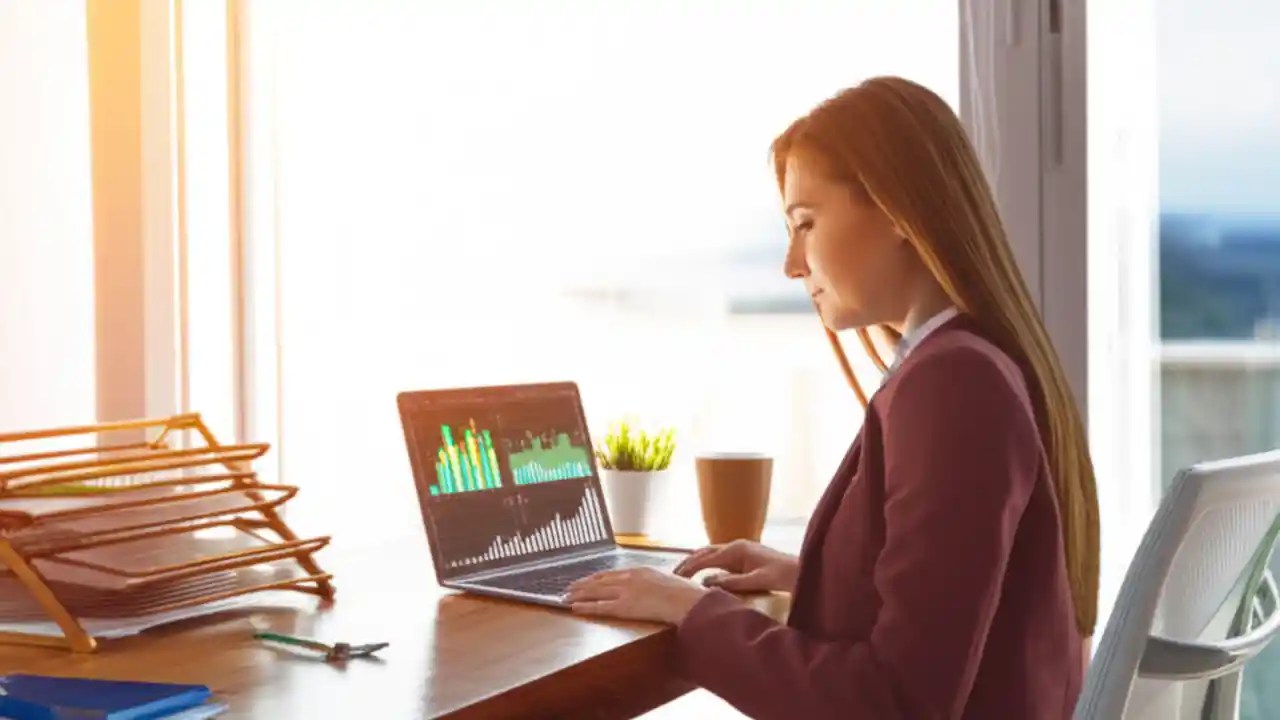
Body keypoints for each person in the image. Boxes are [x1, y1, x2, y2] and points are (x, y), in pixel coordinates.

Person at [565, 76, 1099, 719]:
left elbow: (893, 703)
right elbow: (966, 613)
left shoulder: (954, 386)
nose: (793, 263)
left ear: (900, 211)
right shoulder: (972, 363)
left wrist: (691, 610)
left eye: (806, 223)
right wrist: (810, 574)